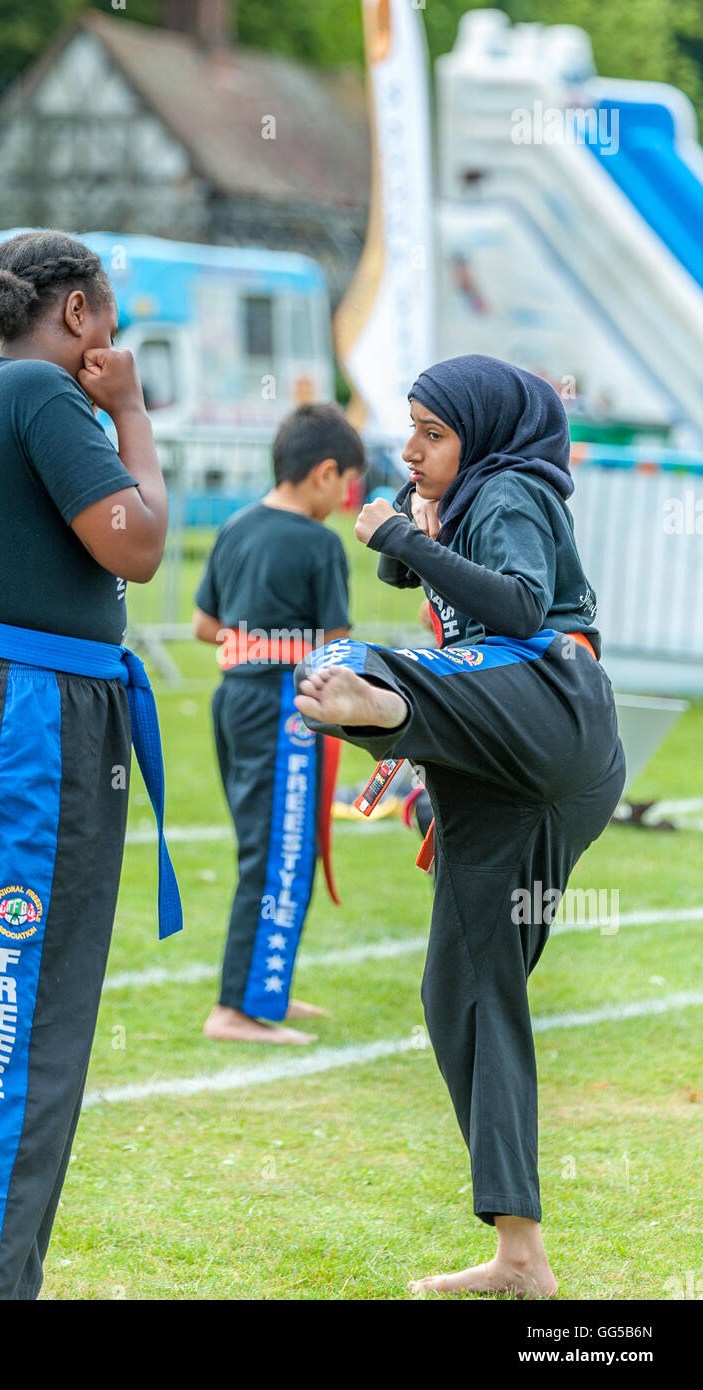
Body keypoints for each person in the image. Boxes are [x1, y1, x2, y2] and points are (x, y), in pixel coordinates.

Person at [293, 355, 625, 1297]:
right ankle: (520, 1258)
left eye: (432, 433)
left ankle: (387, 711)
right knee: (466, 997)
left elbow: (518, 607)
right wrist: (413, 517)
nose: (410, 450)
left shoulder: (513, 487)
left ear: (485, 435)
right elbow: (409, 570)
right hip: (524, 773)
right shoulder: (465, 492)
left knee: (361, 660)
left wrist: (404, 526)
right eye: (410, 430)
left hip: (552, 703)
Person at [0, 230, 180, 1301]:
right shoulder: (44, 396)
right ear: (73, 315)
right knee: (12, 1027)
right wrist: (134, 413)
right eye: (105, 323)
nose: (109, 345)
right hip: (26, 718)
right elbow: (138, 542)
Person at [194, 404, 365, 1043]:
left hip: (235, 703)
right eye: (346, 484)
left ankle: (268, 989)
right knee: (279, 854)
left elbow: (202, 626)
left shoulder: (236, 527)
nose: (346, 501)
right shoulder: (320, 544)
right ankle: (235, 1010)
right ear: (324, 474)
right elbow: (338, 645)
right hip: (285, 715)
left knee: (271, 848)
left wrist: (253, 637)